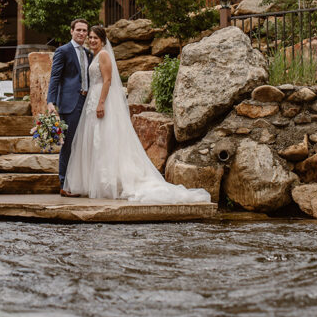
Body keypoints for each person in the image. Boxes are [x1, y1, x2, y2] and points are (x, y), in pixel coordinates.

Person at [63, 25, 211, 204]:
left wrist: (101, 102)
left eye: (96, 38)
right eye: (91, 37)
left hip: (101, 100)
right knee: (97, 140)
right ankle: (98, 181)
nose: (92, 40)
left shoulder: (103, 55)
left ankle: (109, 181)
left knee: (104, 139)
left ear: (102, 40)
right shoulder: (93, 55)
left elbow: (108, 80)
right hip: (92, 100)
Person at [46, 18, 91, 196]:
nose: (81, 33)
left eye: (84, 31)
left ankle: (82, 181)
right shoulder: (62, 51)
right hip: (69, 103)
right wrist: (51, 102)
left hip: (87, 102)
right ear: (71, 31)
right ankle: (64, 184)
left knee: (84, 142)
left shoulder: (89, 53)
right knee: (69, 144)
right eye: (78, 30)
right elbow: (55, 78)